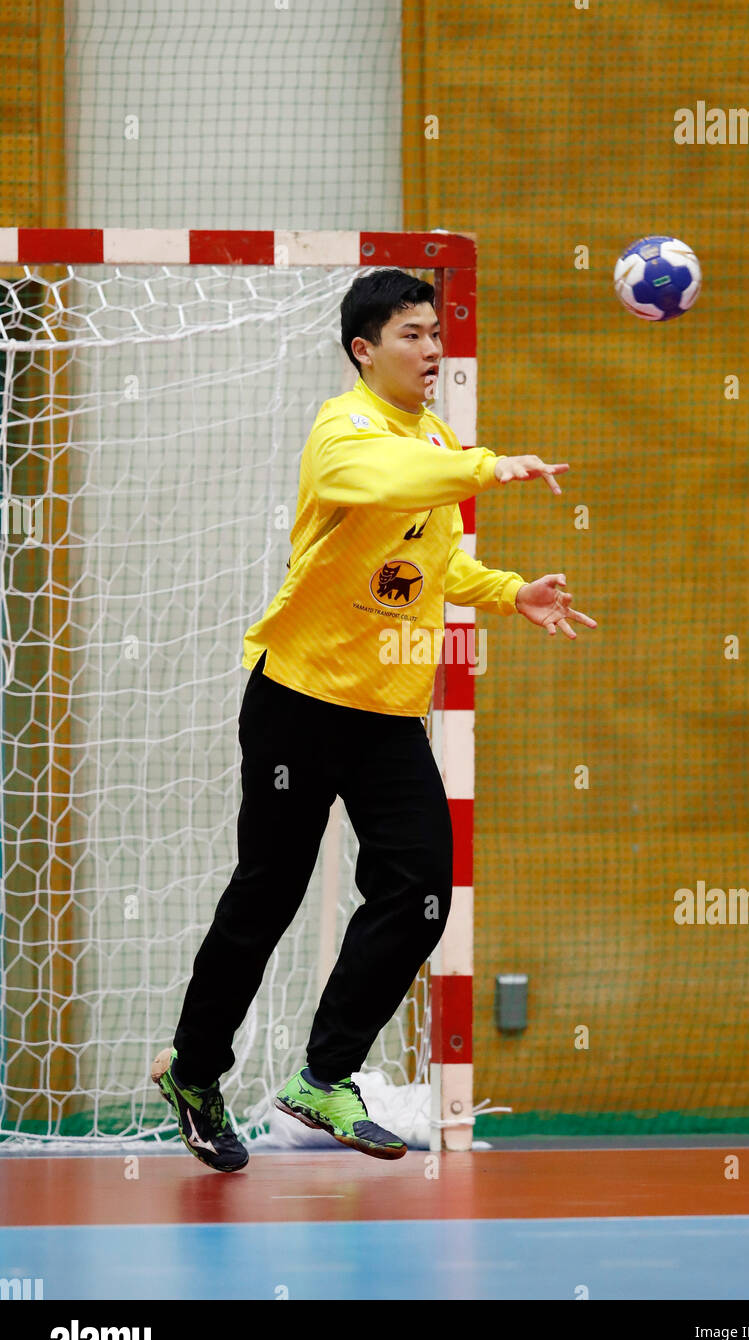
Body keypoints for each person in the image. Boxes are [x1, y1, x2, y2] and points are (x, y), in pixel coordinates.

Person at [151, 267, 596, 1171]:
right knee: (264, 899)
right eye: (412, 336)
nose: (433, 350)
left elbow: (431, 566)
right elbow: (377, 483)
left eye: (437, 333)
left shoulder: (431, 436)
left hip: (385, 715)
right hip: (299, 701)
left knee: (423, 886)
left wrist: (512, 592)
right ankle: (195, 1073)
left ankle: (323, 1077)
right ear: (365, 349)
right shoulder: (344, 430)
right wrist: (488, 465)